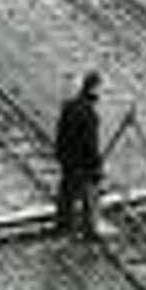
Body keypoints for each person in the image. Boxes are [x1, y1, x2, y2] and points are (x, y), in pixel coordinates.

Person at [54, 70, 106, 243]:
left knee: (66, 195)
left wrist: (61, 156)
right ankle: (90, 230)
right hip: (82, 165)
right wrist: (97, 166)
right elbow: (90, 144)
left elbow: (60, 134)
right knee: (89, 197)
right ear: (94, 88)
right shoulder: (89, 114)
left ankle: (63, 227)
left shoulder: (68, 107)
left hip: (67, 161)